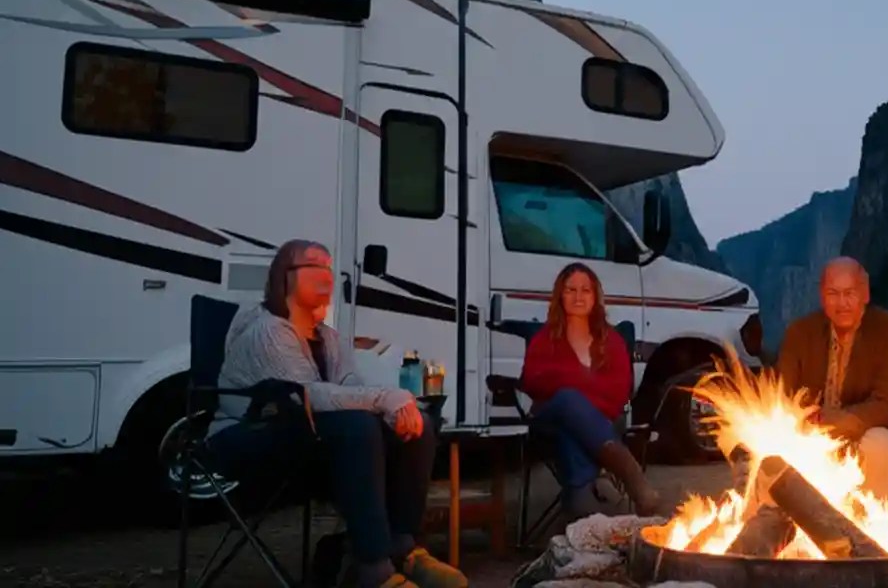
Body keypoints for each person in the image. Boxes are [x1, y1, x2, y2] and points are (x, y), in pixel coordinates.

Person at [214, 239, 467, 588]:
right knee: (356, 426)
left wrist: (399, 407)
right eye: (314, 266)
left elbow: (349, 387)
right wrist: (384, 399)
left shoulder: (328, 338)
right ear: (283, 277)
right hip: (248, 435)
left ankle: (403, 547)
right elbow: (309, 396)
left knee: (418, 423)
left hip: (308, 437)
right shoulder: (268, 330)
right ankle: (373, 569)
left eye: (329, 268)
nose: (327, 276)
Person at [519, 262, 661, 518]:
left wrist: (569, 385)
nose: (578, 296)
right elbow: (532, 381)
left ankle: (583, 503)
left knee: (572, 425)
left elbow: (620, 391)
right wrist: (580, 391)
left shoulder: (611, 340)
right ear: (560, 296)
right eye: (570, 289)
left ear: (595, 297)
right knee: (568, 401)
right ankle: (629, 473)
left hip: (599, 423)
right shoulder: (546, 337)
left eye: (585, 290)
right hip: (550, 420)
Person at [774, 256, 888, 499]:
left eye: (849, 293)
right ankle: (776, 529)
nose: (842, 304)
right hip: (807, 430)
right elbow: (783, 393)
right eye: (833, 293)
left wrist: (835, 423)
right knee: (767, 448)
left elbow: (886, 405)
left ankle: (879, 528)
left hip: (862, 431)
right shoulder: (799, 334)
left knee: (881, 443)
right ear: (821, 296)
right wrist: (803, 422)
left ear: (865, 294)